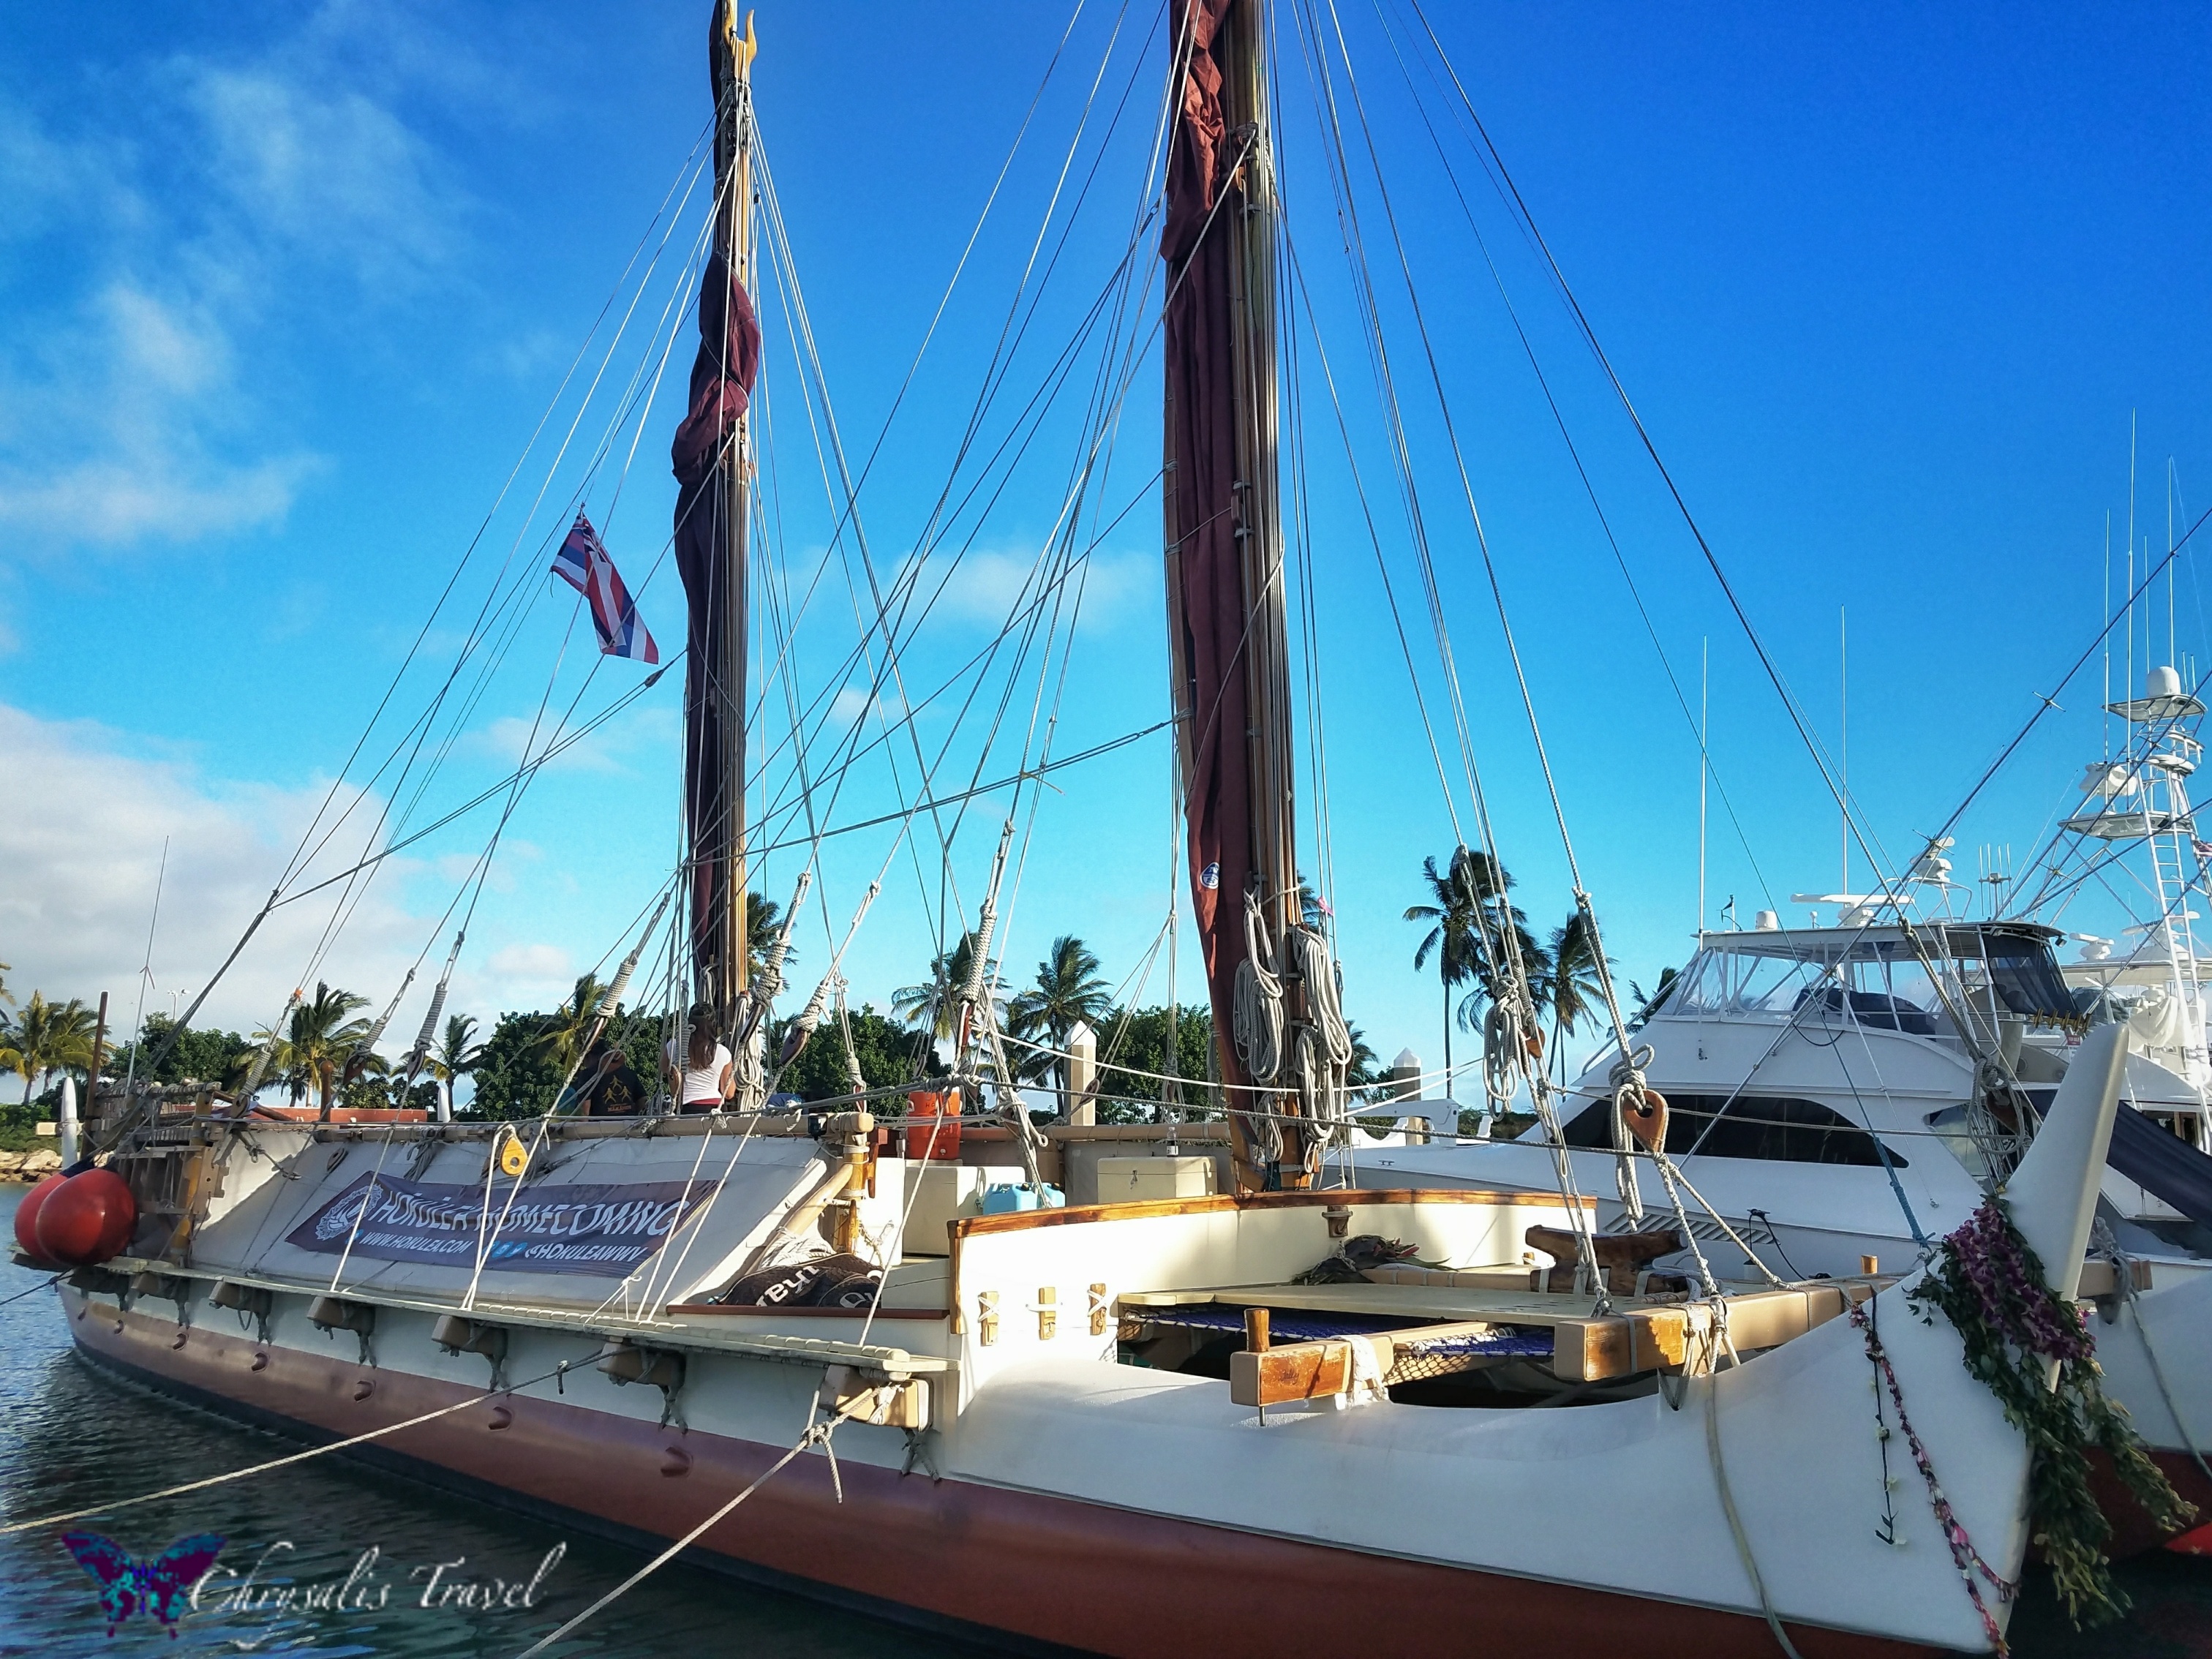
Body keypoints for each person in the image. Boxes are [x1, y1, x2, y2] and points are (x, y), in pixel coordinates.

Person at [664, 1006, 734, 1112]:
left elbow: (665, 1069)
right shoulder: (723, 1052)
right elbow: (728, 1093)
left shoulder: (674, 1045)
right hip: (714, 1109)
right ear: (713, 1025)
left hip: (684, 1107)